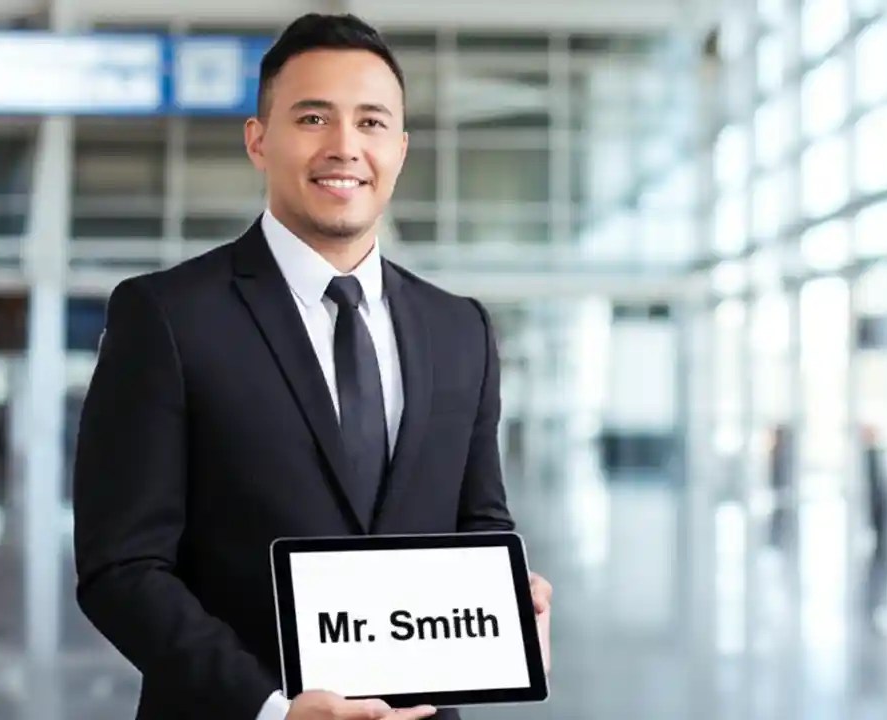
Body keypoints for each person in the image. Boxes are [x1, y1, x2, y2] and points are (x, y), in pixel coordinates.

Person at [71, 14, 551, 720]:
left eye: (372, 122)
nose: (345, 147)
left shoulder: (462, 331)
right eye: (313, 117)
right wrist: (273, 707)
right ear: (258, 141)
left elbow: (478, 521)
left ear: (403, 148)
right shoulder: (167, 318)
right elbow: (122, 567)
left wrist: (506, 606)